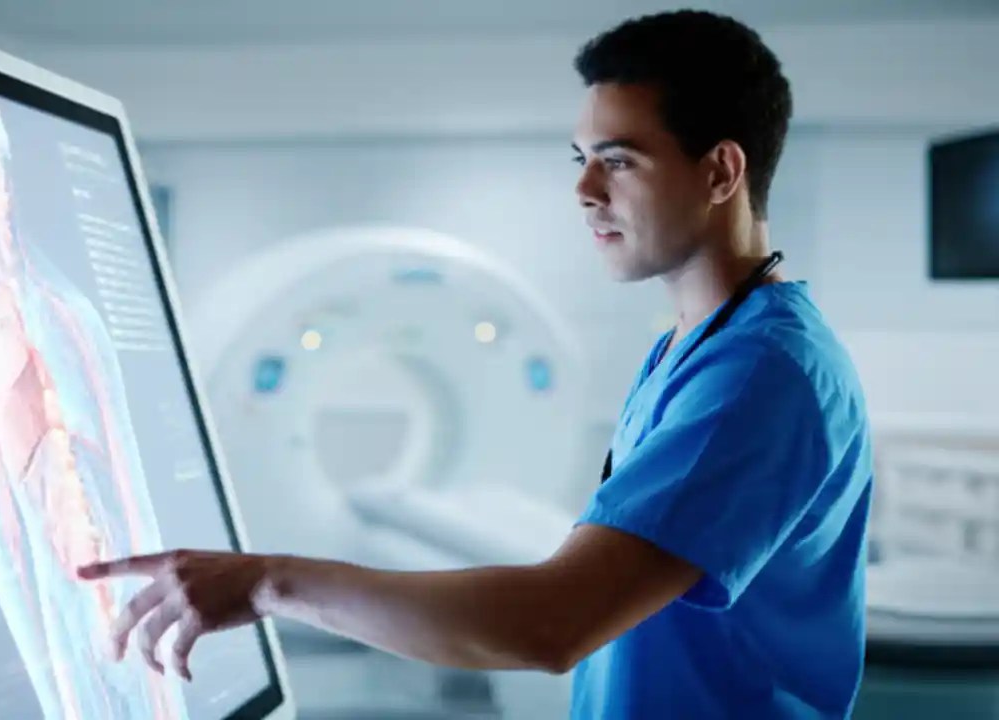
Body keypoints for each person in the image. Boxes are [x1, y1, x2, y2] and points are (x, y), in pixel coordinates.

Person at [78, 9, 874, 719]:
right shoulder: (691, 346)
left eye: (619, 160)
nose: (585, 190)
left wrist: (266, 582)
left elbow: (550, 622)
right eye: (581, 158)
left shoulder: (757, 375)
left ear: (721, 171)